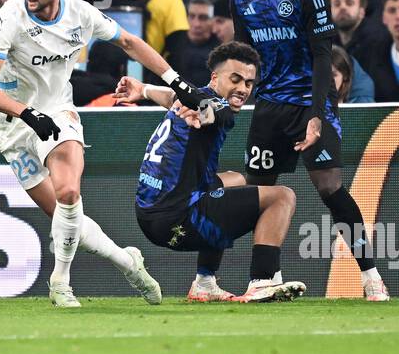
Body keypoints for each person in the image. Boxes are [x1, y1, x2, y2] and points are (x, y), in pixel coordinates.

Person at [0, 0, 201, 307]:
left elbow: (129, 41)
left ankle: (60, 281)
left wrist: (175, 80)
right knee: (66, 217)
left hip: (57, 111)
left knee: (67, 192)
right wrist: (26, 114)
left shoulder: (80, 13)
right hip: (11, 122)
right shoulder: (10, 16)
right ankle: (128, 262)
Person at [230, 0, 388, 300]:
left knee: (330, 187)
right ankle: (266, 277)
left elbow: (323, 56)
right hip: (269, 106)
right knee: (258, 191)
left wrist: (317, 113)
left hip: (309, 102)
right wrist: (235, 92)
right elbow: (243, 55)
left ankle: (371, 276)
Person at [117, 41, 305, 302]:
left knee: (236, 180)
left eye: (249, 83)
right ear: (215, 77)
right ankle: (262, 281)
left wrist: (144, 89)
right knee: (283, 196)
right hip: (177, 221)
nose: (242, 89)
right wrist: (205, 114)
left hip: (149, 214)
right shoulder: (216, 107)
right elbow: (215, 114)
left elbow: (173, 97)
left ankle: (205, 283)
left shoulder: (190, 97)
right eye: (236, 79)